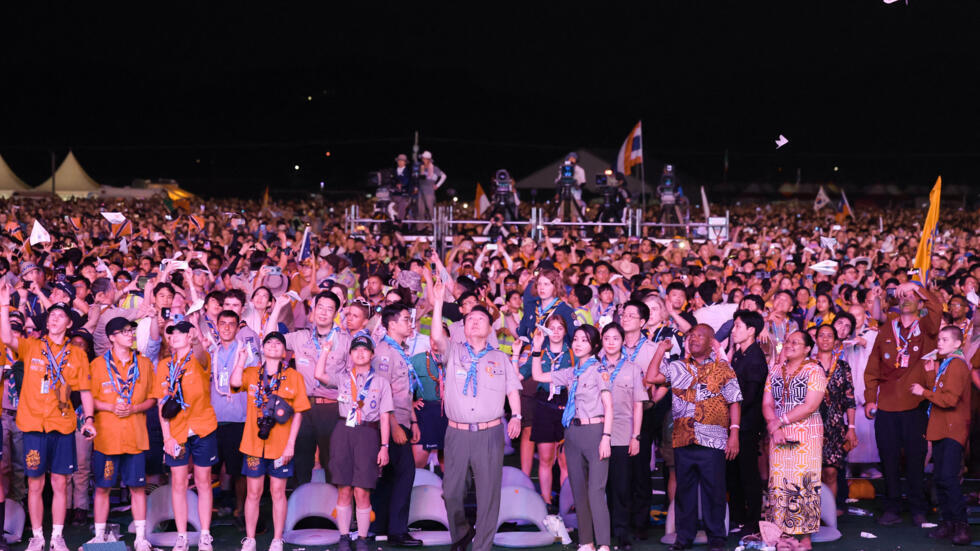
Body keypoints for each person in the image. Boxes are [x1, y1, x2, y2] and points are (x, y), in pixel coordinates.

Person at [429, 277, 522, 551]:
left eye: (480, 319)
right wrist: (437, 303)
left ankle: (483, 546)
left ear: (489, 327)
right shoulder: (454, 351)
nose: (474, 322)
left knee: (488, 494)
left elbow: (512, 390)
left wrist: (516, 416)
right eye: (470, 319)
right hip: (457, 432)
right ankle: (461, 534)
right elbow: (436, 337)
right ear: (463, 327)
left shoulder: (500, 358)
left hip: (490, 432)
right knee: (452, 493)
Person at [0, 291, 95, 551]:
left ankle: (57, 536)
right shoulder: (32, 346)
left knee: (60, 482)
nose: (53, 319)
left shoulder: (77, 355)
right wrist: (3, 305)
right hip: (32, 425)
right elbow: (6, 337)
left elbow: (85, 391)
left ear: (69, 324)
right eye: (51, 315)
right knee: (35, 483)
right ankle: (38, 536)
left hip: (63, 425)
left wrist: (88, 419)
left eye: (60, 315)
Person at [645, 324, 742, 551]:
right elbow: (651, 377)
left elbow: (734, 401)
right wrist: (661, 350)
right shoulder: (677, 366)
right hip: (683, 439)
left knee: (714, 491)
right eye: (691, 336)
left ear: (711, 343)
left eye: (700, 336)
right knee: (684, 492)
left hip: (713, 441)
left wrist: (734, 433)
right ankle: (683, 539)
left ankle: (716, 539)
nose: (693, 339)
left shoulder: (723, 368)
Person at [864, 282, 941, 525]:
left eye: (912, 296)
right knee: (888, 458)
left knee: (916, 458)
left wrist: (916, 287)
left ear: (920, 302)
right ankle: (892, 506)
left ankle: (918, 507)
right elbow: (873, 367)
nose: (906, 298)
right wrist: (868, 399)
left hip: (915, 405)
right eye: (903, 295)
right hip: (886, 405)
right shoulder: (888, 327)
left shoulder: (928, 327)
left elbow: (937, 310)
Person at [532, 323, 612, 551]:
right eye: (575, 339)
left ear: (595, 346)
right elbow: (537, 374)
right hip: (572, 433)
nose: (578, 344)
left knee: (595, 492)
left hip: (595, 431)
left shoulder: (599, 370)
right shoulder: (571, 372)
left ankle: (604, 545)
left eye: (584, 340)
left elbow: (609, 406)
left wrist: (606, 436)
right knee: (578, 490)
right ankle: (586, 542)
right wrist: (537, 349)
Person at [231, 331, 310, 551]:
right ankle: (250, 538)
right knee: (253, 492)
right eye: (269, 343)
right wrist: (240, 359)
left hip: (281, 445)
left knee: (277, 492)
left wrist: (291, 444)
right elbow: (235, 382)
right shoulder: (252, 372)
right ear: (263, 349)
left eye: (278, 343)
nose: (273, 345)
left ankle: (277, 539)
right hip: (253, 444)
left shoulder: (294, 376)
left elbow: (299, 413)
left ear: (284, 352)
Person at [86, 317, 158, 551]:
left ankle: (140, 538)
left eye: (131, 331)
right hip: (107, 438)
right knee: (103, 487)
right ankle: (98, 536)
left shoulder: (144, 364)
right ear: (112, 338)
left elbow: (153, 398)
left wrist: (134, 408)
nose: (130, 334)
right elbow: (89, 399)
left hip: (136, 436)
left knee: (138, 487)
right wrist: (110, 407)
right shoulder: (97, 365)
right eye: (124, 331)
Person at [316, 336, 392, 551]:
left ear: (372, 354)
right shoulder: (342, 378)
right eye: (356, 350)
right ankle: (343, 537)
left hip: (368, 433)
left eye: (365, 350)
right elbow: (319, 375)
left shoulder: (380, 382)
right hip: (344, 431)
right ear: (350, 355)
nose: (360, 353)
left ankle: (361, 538)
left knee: (362, 489)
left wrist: (384, 447)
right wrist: (325, 350)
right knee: (344, 487)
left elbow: (385, 416)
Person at [155, 320, 218, 551]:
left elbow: (201, 350)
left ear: (189, 336)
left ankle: (204, 535)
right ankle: (181, 536)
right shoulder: (164, 365)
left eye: (180, 333)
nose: (175, 337)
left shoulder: (200, 358)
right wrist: (167, 438)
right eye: (171, 335)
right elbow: (162, 403)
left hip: (203, 427)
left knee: (203, 481)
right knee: (178, 482)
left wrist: (195, 334)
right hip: (177, 431)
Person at [275, 291, 350, 485]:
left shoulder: (345, 341)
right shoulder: (301, 337)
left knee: (333, 463)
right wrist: (277, 309)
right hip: (304, 408)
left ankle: (336, 511)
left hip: (332, 408)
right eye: (320, 307)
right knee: (302, 461)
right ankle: (303, 508)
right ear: (313, 310)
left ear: (336, 313)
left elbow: (352, 379)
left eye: (329, 309)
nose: (324, 313)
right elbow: (271, 339)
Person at [763, 331, 825, 551]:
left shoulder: (814, 370)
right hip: (778, 432)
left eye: (795, 342)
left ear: (808, 348)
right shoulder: (775, 370)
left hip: (806, 433)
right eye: (787, 341)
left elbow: (810, 405)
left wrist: (779, 422)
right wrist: (774, 425)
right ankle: (783, 533)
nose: (789, 345)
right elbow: (767, 403)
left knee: (803, 481)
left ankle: (804, 536)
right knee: (780, 481)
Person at [910, 326, 971, 544]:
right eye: (939, 339)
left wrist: (923, 391)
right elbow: (942, 391)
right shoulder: (946, 365)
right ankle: (948, 523)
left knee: (948, 478)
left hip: (952, 428)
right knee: (940, 478)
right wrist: (929, 376)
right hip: (941, 427)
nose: (940, 343)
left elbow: (949, 400)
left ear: (957, 344)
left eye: (945, 340)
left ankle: (962, 525)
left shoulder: (956, 365)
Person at [371, 303, 422, 546]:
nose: (409, 323)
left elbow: (405, 389)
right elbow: (381, 392)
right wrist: (393, 426)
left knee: (391, 476)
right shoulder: (384, 351)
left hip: (401, 418)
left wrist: (411, 420)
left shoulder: (399, 350)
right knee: (403, 474)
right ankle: (397, 531)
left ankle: (383, 526)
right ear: (391, 324)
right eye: (404, 319)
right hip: (389, 423)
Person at [597, 323, 646, 549]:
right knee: (598, 487)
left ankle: (622, 532)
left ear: (622, 341)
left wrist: (635, 436)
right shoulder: (593, 366)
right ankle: (600, 532)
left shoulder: (633, 369)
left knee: (621, 487)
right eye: (606, 338)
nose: (610, 342)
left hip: (622, 435)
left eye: (615, 338)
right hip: (596, 434)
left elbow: (638, 405)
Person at [518, 314, 570, 511]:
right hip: (543, 405)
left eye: (560, 327)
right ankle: (546, 501)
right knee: (546, 457)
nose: (556, 331)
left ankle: (566, 503)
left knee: (565, 459)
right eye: (552, 327)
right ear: (546, 330)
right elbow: (519, 375)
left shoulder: (572, 353)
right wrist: (516, 355)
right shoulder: (539, 351)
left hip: (565, 404)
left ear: (565, 331)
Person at [209, 309, 254, 529]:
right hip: (213, 419)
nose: (226, 327)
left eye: (231, 324)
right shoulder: (211, 352)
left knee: (238, 471)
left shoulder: (247, 352)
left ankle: (240, 510)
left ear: (238, 327)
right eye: (222, 323)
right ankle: (206, 512)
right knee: (208, 469)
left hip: (239, 418)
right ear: (216, 326)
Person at [726, 310, 767, 537]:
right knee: (733, 473)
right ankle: (739, 517)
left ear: (751, 330)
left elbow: (749, 397)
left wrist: (735, 424)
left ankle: (752, 521)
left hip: (746, 425)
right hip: (734, 422)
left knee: (748, 474)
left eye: (738, 326)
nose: (733, 330)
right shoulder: (740, 355)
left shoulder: (754, 357)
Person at [812, 324, 857, 507]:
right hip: (811, 424)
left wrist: (851, 428)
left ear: (836, 341)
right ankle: (812, 516)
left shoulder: (843, 366)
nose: (825, 339)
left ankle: (829, 516)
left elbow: (850, 398)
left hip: (835, 425)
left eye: (829, 336)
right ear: (815, 339)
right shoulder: (808, 365)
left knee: (831, 472)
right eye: (821, 335)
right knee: (813, 472)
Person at [417, 151, 446, 222]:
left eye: (425, 159)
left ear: (429, 160)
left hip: (429, 192)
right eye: (423, 158)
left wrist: (437, 185)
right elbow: (418, 179)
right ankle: (421, 228)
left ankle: (432, 228)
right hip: (421, 191)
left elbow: (444, 176)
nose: (424, 160)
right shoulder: (421, 167)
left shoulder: (434, 168)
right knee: (420, 210)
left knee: (430, 209)